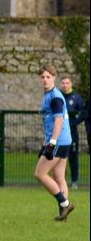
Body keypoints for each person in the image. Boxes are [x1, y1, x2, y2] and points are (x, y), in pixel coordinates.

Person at [35, 65, 74, 221]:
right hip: (64, 140)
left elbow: (58, 121)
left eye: (48, 77)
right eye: (43, 77)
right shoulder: (50, 94)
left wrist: (51, 144)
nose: (45, 79)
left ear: (54, 78)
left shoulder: (55, 97)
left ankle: (65, 204)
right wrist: (47, 143)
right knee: (59, 177)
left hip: (58, 141)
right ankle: (63, 215)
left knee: (40, 174)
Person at [59, 76, 86, 189]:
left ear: (71, 84)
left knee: (73, 156)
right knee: (59, 157)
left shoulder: (77, 98)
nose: (65, 85)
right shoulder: (58, 97)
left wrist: (73, 123)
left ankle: (74, 180)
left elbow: (82, 113)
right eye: (63, 83)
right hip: (59, 133)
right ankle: (61, 180)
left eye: (67, 83)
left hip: (72, 133)